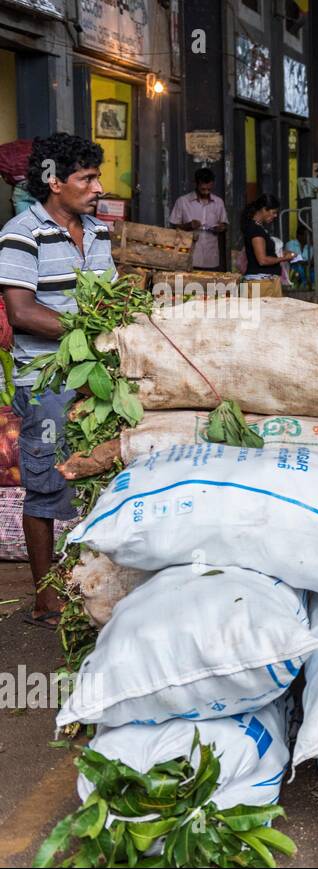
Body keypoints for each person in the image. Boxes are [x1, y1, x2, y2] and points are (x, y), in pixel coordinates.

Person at [0, 134, 116, 627]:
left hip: (95, 376)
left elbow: (108, 300)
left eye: (96, 177)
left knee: (104, 474)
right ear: (54, 182)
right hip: (45, 377)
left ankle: (95, 581)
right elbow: (22, 313)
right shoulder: (21, 233)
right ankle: (46, 597)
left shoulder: (98, 233)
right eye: (86, 179)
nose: (98, 187)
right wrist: (88, 336)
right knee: (47, 483)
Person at [169, 168, 228, 270]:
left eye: (209, 189)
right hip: (188, 257)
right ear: (196, 184)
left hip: (211, 258)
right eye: (203, 189)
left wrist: (221, 227)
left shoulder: (218, 202)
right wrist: (188, 225)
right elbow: (173, 226)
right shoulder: (183, 201)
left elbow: (225, 225)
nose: (206, 192)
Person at [240, 193, 293, 283]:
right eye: (274, 212)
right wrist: (284, 258)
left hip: (263, 279)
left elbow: (264, 252)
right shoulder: (255, 230)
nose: (275, 216)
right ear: (264, 209)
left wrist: (282, 253)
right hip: (259, 280)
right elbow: (262, 260)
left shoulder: (259, 228)